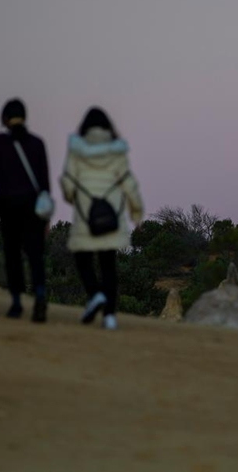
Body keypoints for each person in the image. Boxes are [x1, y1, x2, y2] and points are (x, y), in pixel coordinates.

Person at [60, 107, 144, 330]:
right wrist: (136, 212)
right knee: (109, 266)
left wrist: (72, 198)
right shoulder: (117, 150)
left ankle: (95, 294)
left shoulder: (76, 149)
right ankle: (110, 317)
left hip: (87, 216)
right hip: (111, 215)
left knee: (83, 260)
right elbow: (129, 182)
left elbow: (68, 182)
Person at [0, 99, 51, 323]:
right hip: (33, 208)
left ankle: (16, 302)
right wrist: (46, 218)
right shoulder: (37, 143)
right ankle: (40, 298)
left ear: (4, 119)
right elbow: (44, 184)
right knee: (35, 256)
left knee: (12, 255)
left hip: (8, 207)